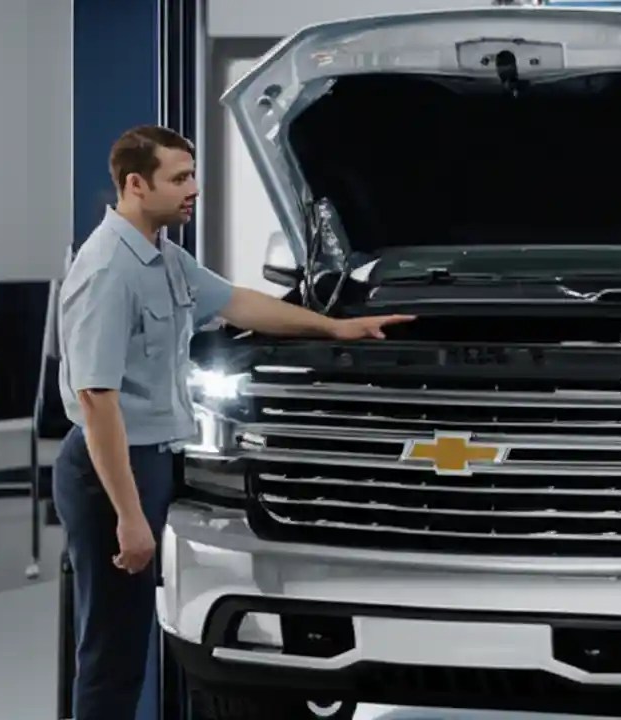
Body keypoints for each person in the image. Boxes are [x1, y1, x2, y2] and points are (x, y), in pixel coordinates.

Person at [53, 125, 414, 720]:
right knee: (111, 650)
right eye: (179, 178)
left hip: (156, 457)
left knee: (146, 636)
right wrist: (129, 518)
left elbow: (239, 302)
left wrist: (337, 328)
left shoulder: (163, 255)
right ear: (135, 185)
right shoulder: (106, 271)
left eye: (193, 175)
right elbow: (97, 402)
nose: (192, 189)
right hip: (110, 468)